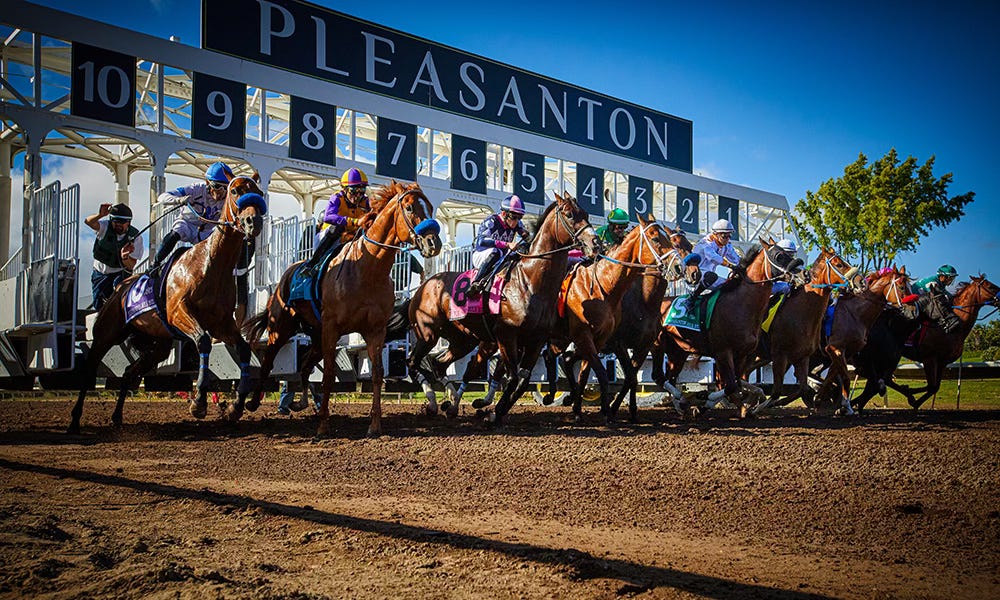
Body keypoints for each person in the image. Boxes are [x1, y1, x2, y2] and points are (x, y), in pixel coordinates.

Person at [150, 161, 234, 270]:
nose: (221, 192)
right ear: (208, 183)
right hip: (187, 224)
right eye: (217, 186)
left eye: (225, 188)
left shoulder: (228, 198)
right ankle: (155, 263)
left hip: (207, 232)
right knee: (176, 232)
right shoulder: (196, 189)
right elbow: (162, 197)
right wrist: (178, 200)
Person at [300, 168, 371, 278]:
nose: (357, 196)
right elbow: (328, 216)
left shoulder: (365, 202)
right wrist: (354, 221)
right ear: (345, 189)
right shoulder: (337, 197)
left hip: (351, 236)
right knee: (337, 228)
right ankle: (312, 264)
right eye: (353, 191)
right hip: (329, 235)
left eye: (361, 191)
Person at [84, 202, 144, 310]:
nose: (118, 225)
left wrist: (124, 257)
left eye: (122, 222)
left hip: (119, 274)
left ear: (129, 222)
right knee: (99, 306)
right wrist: (100, 215)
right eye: (115, 221)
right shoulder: (105, 227)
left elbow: (131, 266)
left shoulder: (136, 237)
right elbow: (88, 222)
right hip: (100, 274)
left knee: (118, 301)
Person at [468, 195, 530, 296]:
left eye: (520, 217)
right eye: (514, 217)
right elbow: (481, 242)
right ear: (504, 213)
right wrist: (506, 244)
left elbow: (524, 234)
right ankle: (476, 283)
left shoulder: (517, 224)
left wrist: (527, 237)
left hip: (501, 257)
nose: (516, 221)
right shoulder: (491, 221)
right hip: (481, 254)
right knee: (495, 251)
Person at [685, 219, 740, 307]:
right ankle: (692, 298)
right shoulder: (706, 243)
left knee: (730, 284)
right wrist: (731, 266)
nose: (727, 239)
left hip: (710, 276)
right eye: (724, 236)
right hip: (697, 274)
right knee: (711, 276)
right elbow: (714, 258)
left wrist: (744, 266)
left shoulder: (726, 245)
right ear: (715, 234)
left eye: (729, 236)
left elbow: (736, 259)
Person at [913, 264, 961, 333]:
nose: (951, 280)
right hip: (914, 303)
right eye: (950, 277)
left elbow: (948, 295)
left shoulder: (941, 284)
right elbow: (936, 297)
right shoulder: (933, 282)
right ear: (942, 276)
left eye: (952, 278)